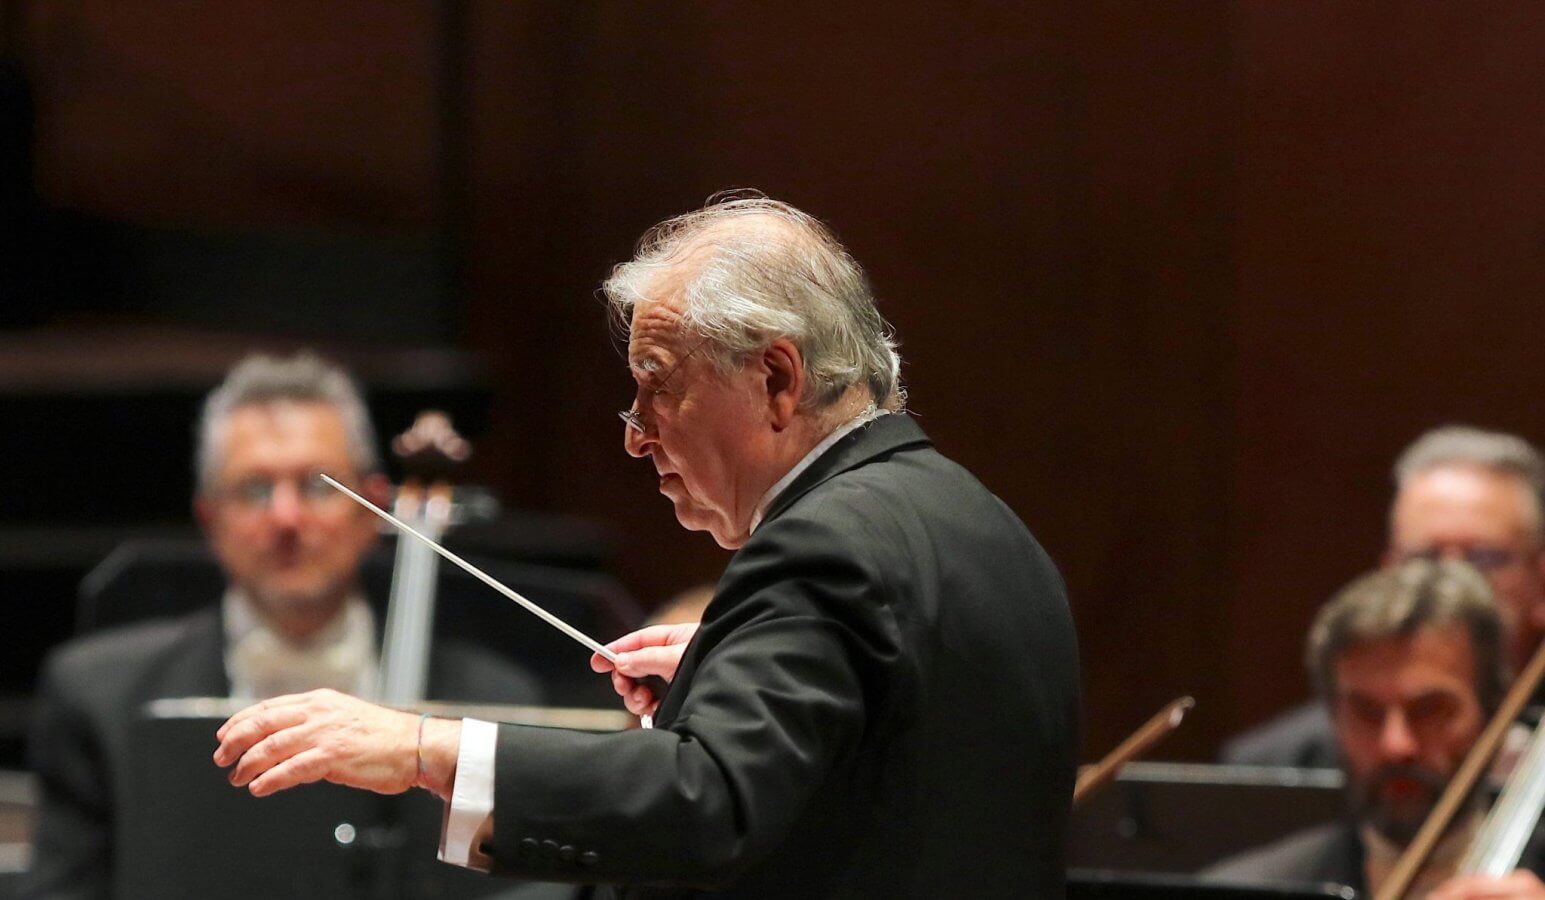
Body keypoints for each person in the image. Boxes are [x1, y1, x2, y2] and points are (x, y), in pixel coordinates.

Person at [212, 195, 1082, 897]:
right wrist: (726, 663)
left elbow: (709, 800)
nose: (636, 437)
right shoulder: (976, 521)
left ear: (775, 380)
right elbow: (896, 760)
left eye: (659, 388)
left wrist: (422, 751)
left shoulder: (824, 546)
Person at [21, 352, 543, 899]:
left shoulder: (491, 703)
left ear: (373, 508)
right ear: (210, 518)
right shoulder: (99, 697)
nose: (286, 517)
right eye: (254, 489)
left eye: (319, 487)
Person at [1206, 560, 1545, 899]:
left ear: (1494, 712)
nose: (1396, 745)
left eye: (1429, 710)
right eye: (1366, 712)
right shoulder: (1244, 887)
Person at [1223, 426, 1545, 768]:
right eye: (1424, 559)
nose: (1453, 581)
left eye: (1483, 558)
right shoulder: (1281, 764)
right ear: (1388, 574)